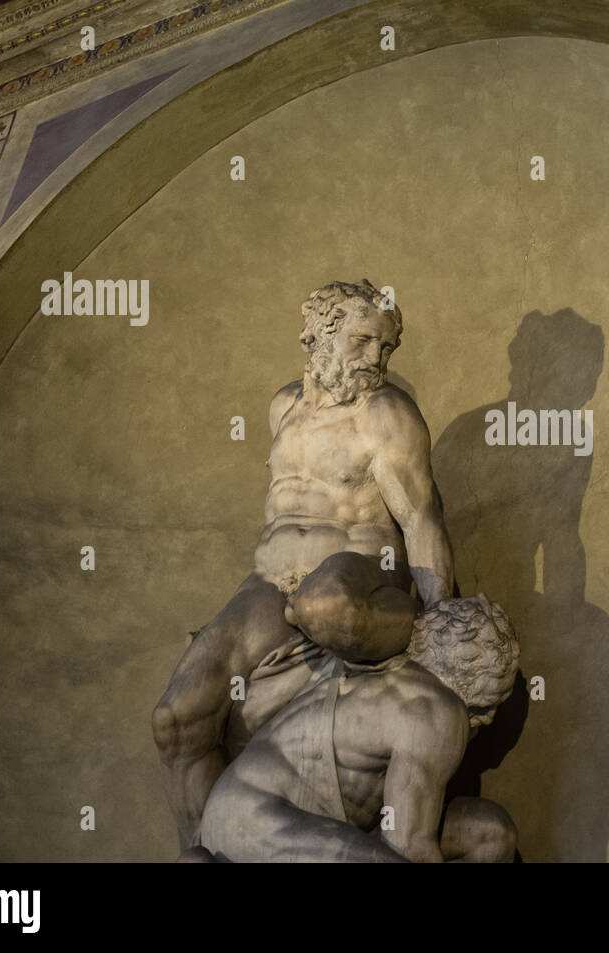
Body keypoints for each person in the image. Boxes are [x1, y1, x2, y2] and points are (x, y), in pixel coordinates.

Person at [153, 280, 454, 847]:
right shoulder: (282, 406)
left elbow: (420, 520)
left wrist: (439, 620)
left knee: (323, 601)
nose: (376, 359)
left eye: (386, 348)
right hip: (269, 583)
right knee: (176, 717)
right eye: (364, 341)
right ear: (320, 334)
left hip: (360, 569)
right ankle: (207, 851)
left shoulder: (387, 412)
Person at [197, 559, 519, 863]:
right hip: (253, 819)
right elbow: (410, 848)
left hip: (306, 819)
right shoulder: (437, 711)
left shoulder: (389, 666)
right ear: (481, 699)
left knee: (492, 835)